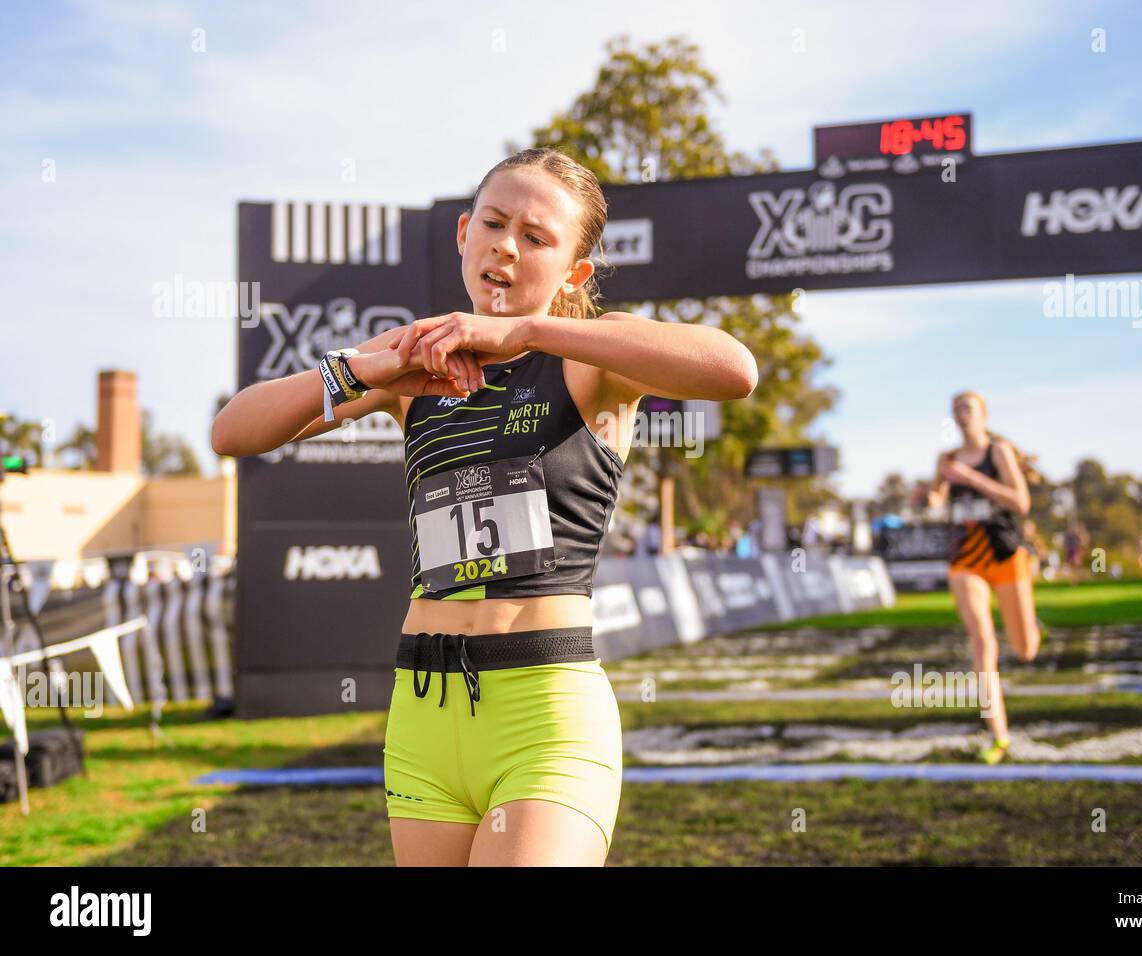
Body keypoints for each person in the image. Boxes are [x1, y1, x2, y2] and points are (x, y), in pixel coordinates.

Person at [211, 147, 758, 866]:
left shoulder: (589, 360)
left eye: (537, 238)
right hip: (424, 716)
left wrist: (527, 331)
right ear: (464, 233)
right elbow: (232, 431)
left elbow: (734, 370)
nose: (507, 245)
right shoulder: (415, 368)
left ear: (575, 272)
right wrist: (359, 368)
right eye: (495, 224)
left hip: (545, 714)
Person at [926, 390, 1042, 765]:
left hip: (1005, 553)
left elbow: (1021, 503)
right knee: (982, 639)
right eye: (956, 410)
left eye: (967, 408)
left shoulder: (999, 452)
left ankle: (1030, 622)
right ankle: (999, 735)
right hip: (966, 558)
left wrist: (973, 478)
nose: (961, 414)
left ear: (983, 415)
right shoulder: (946, 459)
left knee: (1025, 650)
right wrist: (928, 497)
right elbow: (936, 497)